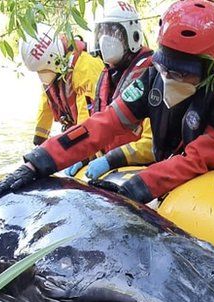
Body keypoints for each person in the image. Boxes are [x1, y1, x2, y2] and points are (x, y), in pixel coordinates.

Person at [0, 0, 214, 204]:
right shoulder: (152, 80)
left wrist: (134, 190)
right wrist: (38, 163)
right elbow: (104, 124)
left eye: (181, 72)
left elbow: (195, 161)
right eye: (165, 66)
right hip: (181, 189)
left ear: (210, 67)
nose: (169, 76)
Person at [64, 0, 155, 180]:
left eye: (114, 33)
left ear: (132, 35)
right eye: (103, 32)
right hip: (114, 166)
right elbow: (100, 129)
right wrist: (86, 155)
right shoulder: (107, 76)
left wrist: (111, 159)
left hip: (143, 169)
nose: (106, 39)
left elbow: (152, 144)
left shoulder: (152, 74)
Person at [23, 24, 105, 145]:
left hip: (98, 134)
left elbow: (87, 119)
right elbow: (47, 99)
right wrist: (39, 139)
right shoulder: (55, 70)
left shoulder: (85, 67)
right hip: (76, 129)